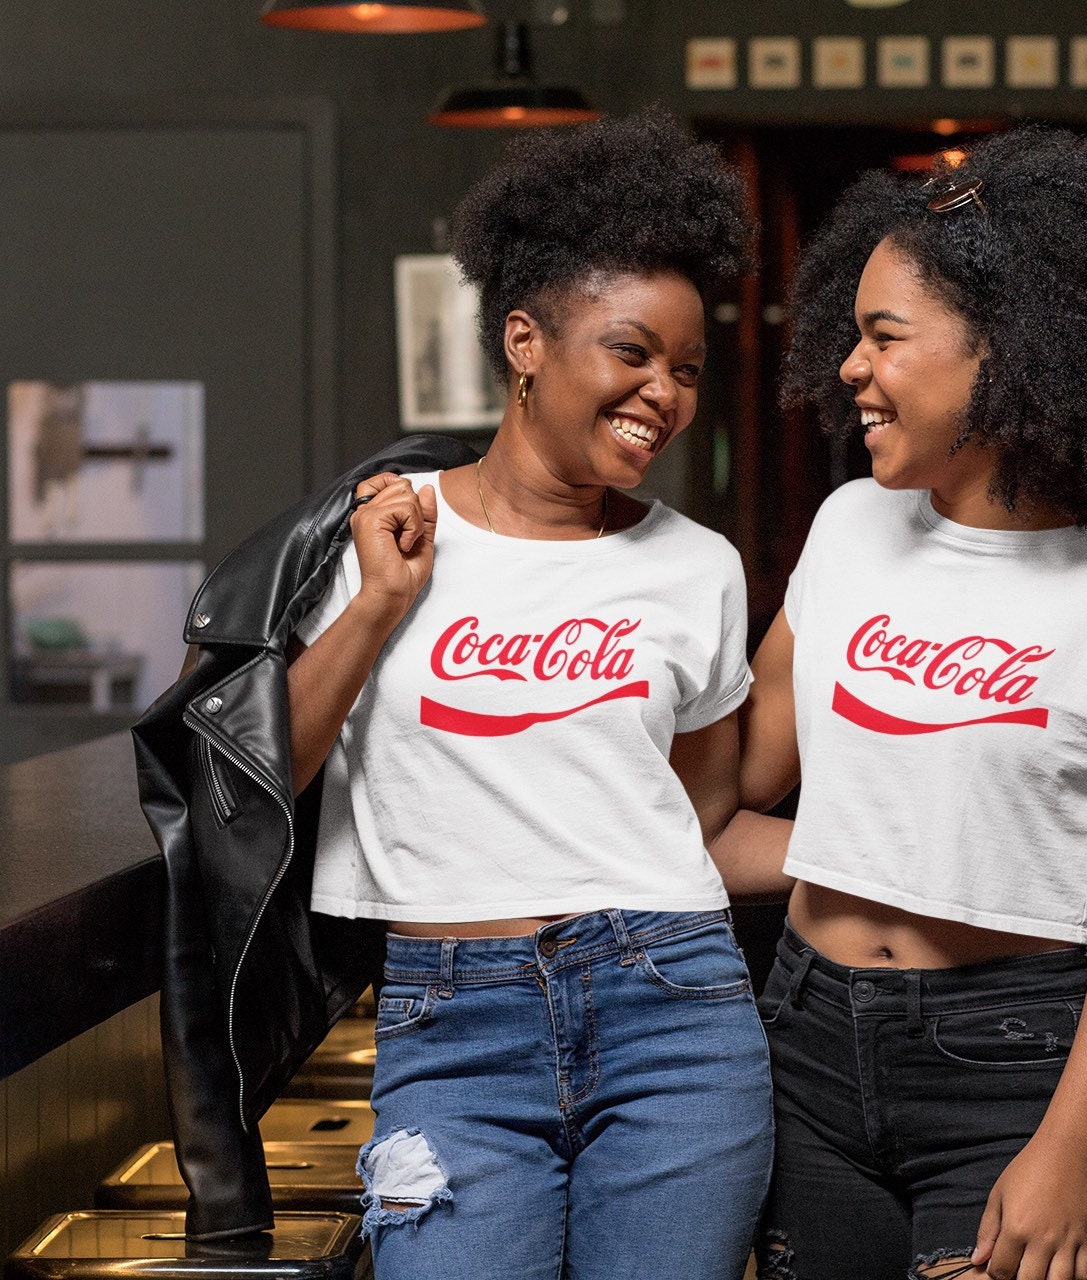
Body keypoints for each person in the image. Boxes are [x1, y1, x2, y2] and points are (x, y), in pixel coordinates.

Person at [721, 126, 1087, 1280]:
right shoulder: (851, 526)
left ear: (1004, 347)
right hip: (804, 1038)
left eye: (884, 336)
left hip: (1013, 1064)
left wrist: (1071, 1142)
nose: (850, 367)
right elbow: (733, 787)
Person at [285, 109, 769, 1279]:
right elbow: (274, 771)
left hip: (675, 1010)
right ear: (525, 342)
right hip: (449, 1025)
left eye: (686, 368)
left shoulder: (698, 566)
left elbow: (700, 809)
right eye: (631, 352)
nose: (663, 393)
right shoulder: (381, 532)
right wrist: (378, 605)